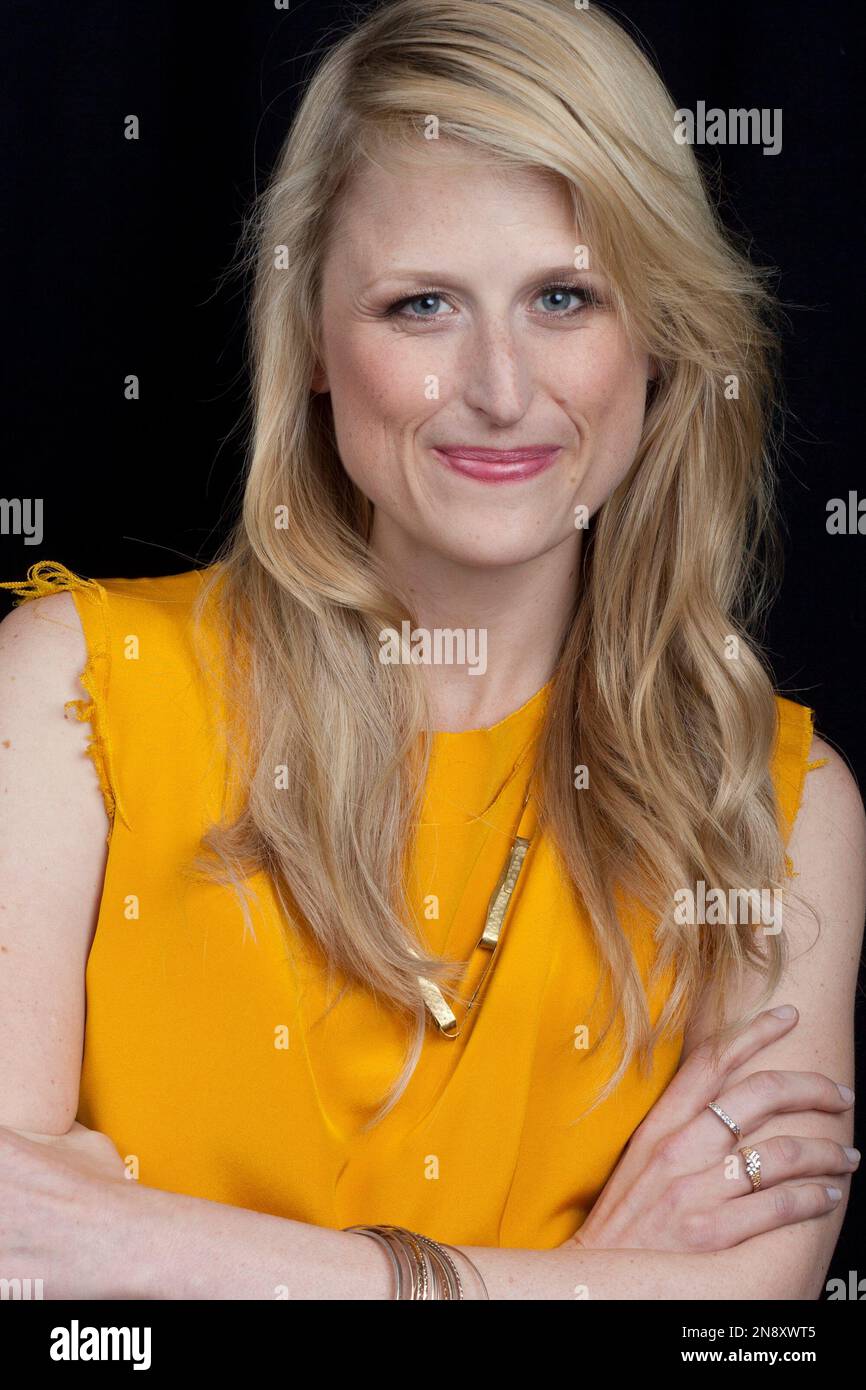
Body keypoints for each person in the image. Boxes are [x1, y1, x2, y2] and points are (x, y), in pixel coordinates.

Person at [0, 0, 862, 1300]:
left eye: (563, 296)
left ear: (659, 336)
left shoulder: (774, 808)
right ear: (312, 349)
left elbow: (734, 1333)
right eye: (420, 307)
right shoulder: (72, 691)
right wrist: (583, 1277)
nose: (503, 388)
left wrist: (144, 1246)